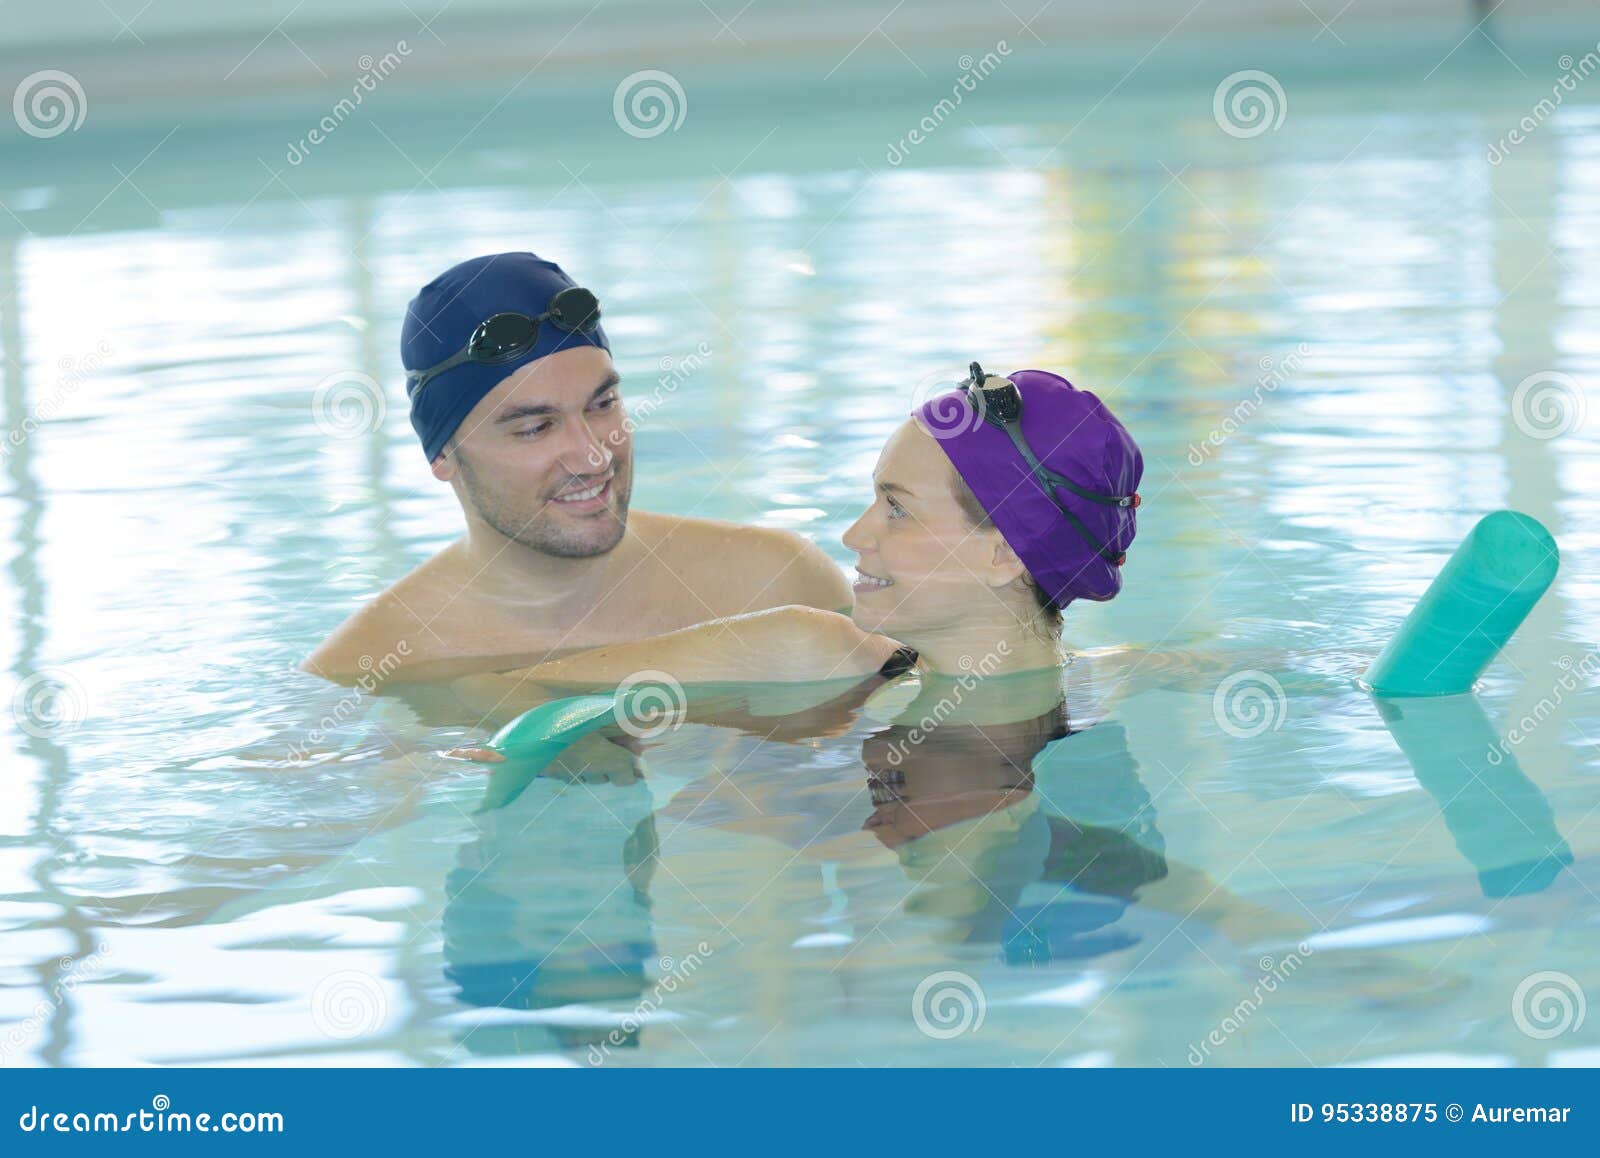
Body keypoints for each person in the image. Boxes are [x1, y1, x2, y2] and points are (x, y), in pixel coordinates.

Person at [451, 360, 1143, 716]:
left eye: (895, 510)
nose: (853, 535)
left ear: (1002, 554)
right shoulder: (804, 652)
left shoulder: (1106, 691)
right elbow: (508, 692)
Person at [302, 252, 851, 685]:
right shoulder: (370, 668)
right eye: (535, 427)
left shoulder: (776, 579)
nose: (594, 455)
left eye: (601, 405)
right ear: (443, 455)